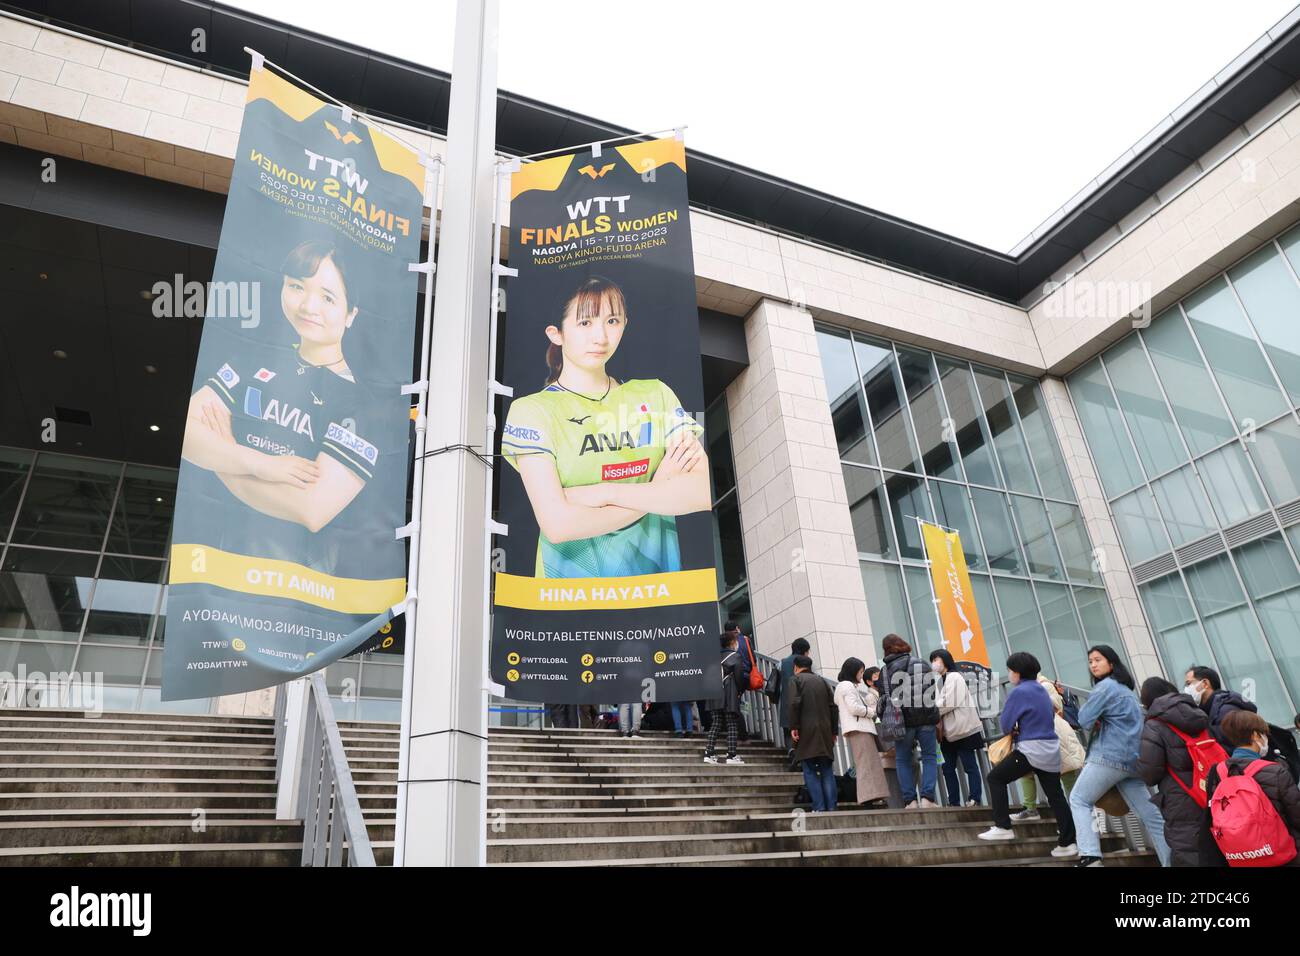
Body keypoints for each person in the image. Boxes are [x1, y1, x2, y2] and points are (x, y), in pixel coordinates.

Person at [500, 275, 711, 579]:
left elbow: (699, 492)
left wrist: (600, 493)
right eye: (585, 323)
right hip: (568, 599)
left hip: (658, 595)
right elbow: (558, 525)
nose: (600, 336)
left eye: (612, 320)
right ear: (556, 333)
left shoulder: (656, 395)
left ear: (625, 323)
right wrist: (656, 492)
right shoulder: (531, 411)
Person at [182, 240, 377, 533]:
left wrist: (223, 453)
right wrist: (260, 464)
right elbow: (187, 435)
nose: (308, 306)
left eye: (328, 298)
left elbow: (310, 509)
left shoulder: (360, 403)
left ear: (351, 314)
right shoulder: (253, 359)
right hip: (209, 550)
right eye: (297, 286)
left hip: (293, 572)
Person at [1069, 645, 1171, 867]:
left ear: (1111, 663)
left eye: (1098, 660)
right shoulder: (1127, 692)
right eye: (1090, 662)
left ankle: (1091, 856)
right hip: (1133, 762)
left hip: (1109, 757)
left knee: (1079, 800)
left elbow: (1084, 720)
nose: (1093, 665)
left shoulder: (1104, 688)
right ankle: (1172, 862)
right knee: (1151, 816)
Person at [978, 652, 1078, 857]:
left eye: (1010, 670)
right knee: (1056, 795)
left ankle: (1003, 827)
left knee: (995, 778)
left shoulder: (1019, 691)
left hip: (1031, 748)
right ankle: (1068, 842)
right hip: (1050, 748)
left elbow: (1005, 724)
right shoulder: (1041, 689)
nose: (1009, 674)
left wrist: (1015, 727)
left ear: (1017, 672)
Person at [1200, 710, 1300, 866]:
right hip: (1282, 854)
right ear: (1255, 735)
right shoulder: (1275, 770)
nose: (1266, 739)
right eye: (1264, 734)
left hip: (1242, 856)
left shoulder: (1217, 773)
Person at [1136, 676, 1218, 867]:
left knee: (1190, 851)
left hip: (1181, 798)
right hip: (1212, 791)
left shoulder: (1154, 725)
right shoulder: (1199, 716)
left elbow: (1150, 774)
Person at [881, 634, 940, 809]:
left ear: (886, 649)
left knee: (902, 759)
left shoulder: (885, 671)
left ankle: (910, 801)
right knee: (929, 756)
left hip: (902, 721)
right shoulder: (921, 663)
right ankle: (928, 798)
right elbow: (932, 692)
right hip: (926, 718)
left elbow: (884, 698)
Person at [1012, 674, 1081, 821]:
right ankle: (1030, 808)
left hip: (1055, 735)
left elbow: (1055, 707)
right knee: (1026, 773)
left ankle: (1077, 817)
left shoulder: (1044, 685)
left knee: (1066, 776)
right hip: (1038, 737)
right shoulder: (1029, 688)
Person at [929, 650, 984, 808]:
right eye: (932, 660)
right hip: (950, 732)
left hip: (962, 729)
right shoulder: (942, 680)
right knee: (949, 768)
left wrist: (931, 712)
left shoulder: (954, 676)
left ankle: (973, 798)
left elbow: (949, 702)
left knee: (968, 766)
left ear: (945, 660)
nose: (934, 663)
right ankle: (955, 801)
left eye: (936, 659)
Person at [834, 656, 889, 808]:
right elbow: (854, 708)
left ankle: (870, 797)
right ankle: (867, 798)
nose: (861, 674)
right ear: (853, 671)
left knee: (868, 763)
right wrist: (871, 712)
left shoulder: (845, 686)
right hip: (859, 728)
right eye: (860, 671)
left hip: (858, 728)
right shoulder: (847, 686)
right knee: (866, 764)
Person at [789, 654, 837, 812]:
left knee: (809, 769)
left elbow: (794, 703)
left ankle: (819, 807)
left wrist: (794, 726)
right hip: (825, 730)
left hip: (806, 730)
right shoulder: (822, 681)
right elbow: (833, 707)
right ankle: (831, 807)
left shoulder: (795, 680)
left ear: (796, 667)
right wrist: (834, 730)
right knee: (826, 769)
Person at [1183, 665, 1257, 751]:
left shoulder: (1226, 710)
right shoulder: (1208, 711)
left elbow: (1237, 747)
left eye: (1189, 684)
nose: (1186, 689)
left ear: (1205, 684)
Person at [703, 633, 745, 765]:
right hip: (729, 693)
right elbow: (739, 678)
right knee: (732, 724)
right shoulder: (735, 656)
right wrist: (740, 692)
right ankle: (731, 755)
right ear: (732, 642)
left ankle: (709, 753)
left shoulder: (712, 657)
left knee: (716, 723)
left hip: (714, 693)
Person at [776, 638, 811, 767]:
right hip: (802, 702)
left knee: (788, 730)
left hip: (786, 701)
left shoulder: (782, 663)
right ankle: (802, 758)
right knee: (801, 730)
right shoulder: (805, 664)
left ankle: (792, 753)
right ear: (804, 651)